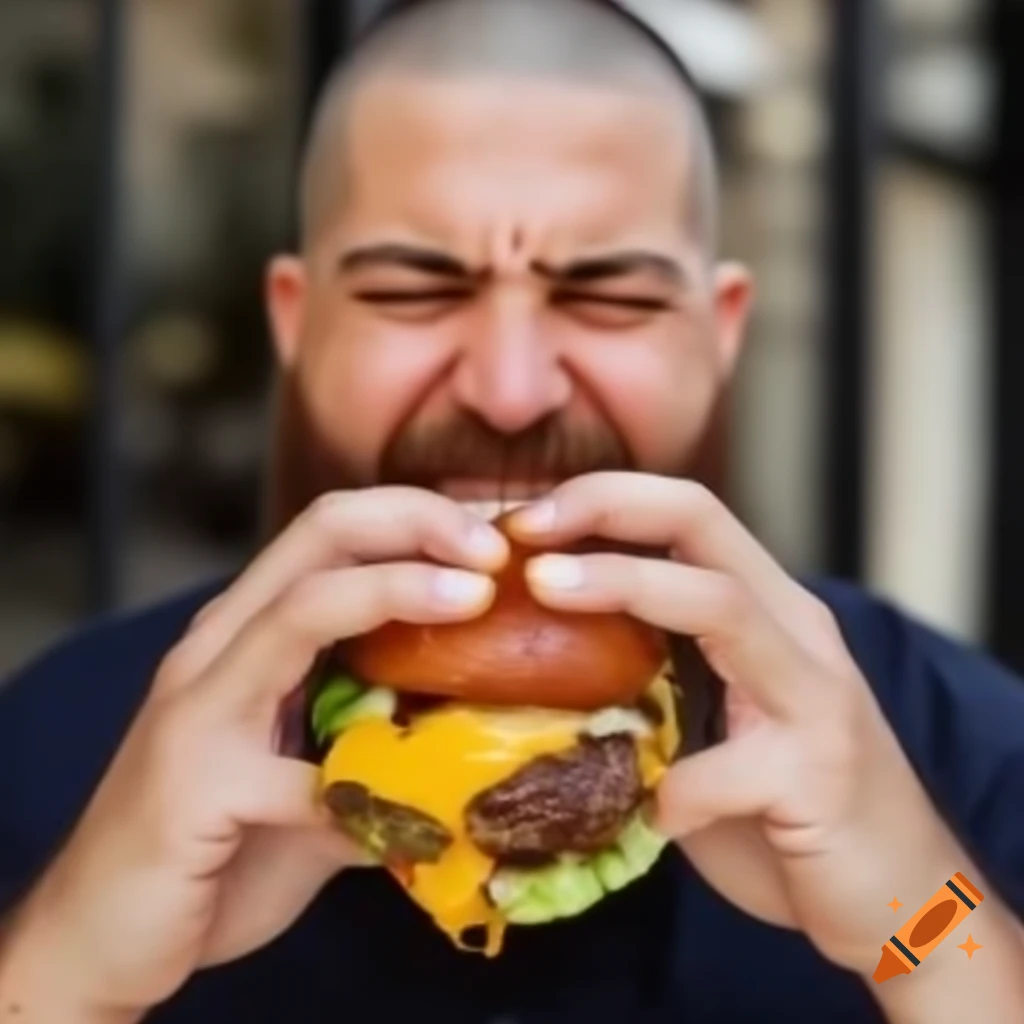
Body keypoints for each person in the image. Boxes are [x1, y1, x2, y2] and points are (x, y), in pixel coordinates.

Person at [1, 0, 1023, 1020]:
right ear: (296, 323)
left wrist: (923, 936)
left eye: (610, 299)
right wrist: (69, 976)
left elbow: (942, 939)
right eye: (413, 293)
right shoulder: (60, 750)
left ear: (718, 335)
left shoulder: (952, 744)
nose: (510, 390)